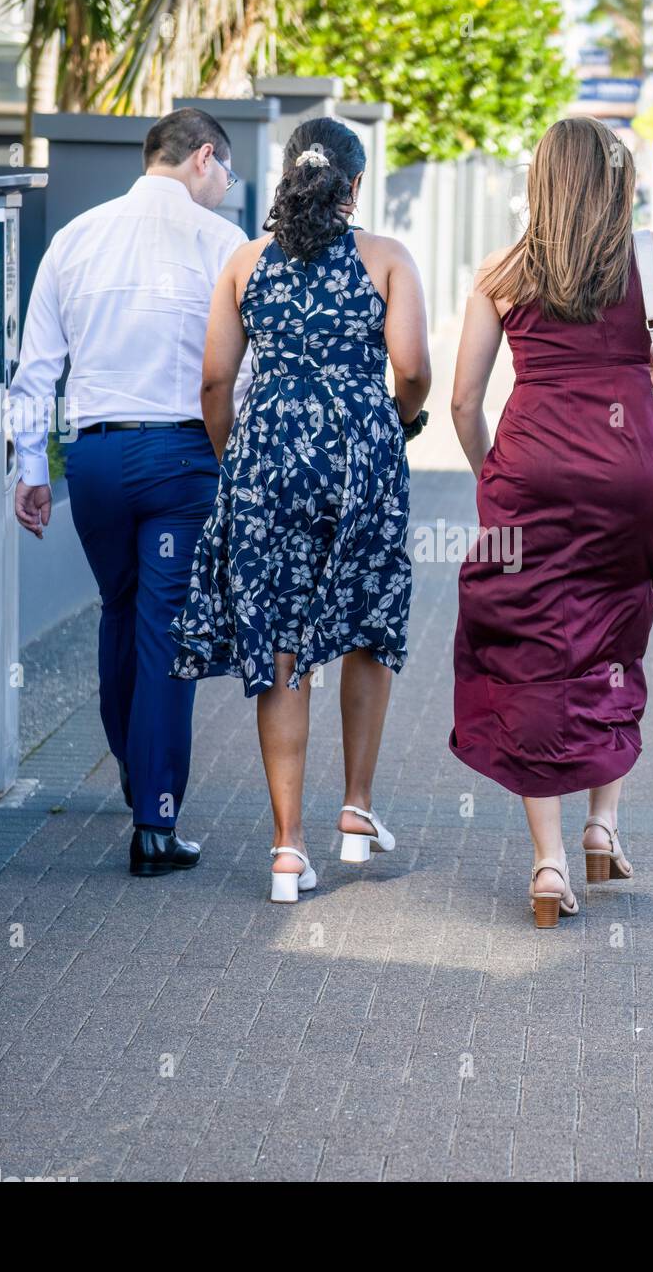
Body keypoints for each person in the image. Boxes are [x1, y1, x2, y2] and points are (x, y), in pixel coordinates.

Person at [448, 117, 653, 927]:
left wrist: (490, 473)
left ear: (542, 180)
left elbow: (464, 400)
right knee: (613, 637)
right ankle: (602, 826)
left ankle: (547, 864)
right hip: (629, 472)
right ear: (618, 181)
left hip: (528, 474)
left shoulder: (503, 270)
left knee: (532, 647)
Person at [170, 116, 431, 904]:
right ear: (354, 185)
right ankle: (356, 808)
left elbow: (215, 385)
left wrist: (236, 458)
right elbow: (414, 368)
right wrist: (399, 418)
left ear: (287, 178)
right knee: (367, 623)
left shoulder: (245, 262)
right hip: (362, 461)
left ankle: (287, 850)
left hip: (266, 464)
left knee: (281, 646)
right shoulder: (384, 258)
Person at [10, 108, 251, 877]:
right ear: (203, 159)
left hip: (97, 460)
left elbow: (35, 369)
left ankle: (133, 761)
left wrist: (32, 469)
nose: (226, 188)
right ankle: (155, 820)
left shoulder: (74, 237)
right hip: (183, 458)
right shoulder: (223, 247)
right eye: (227, 173)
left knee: (120, 611)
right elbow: (239, 374)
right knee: (166, 634)